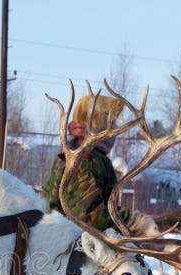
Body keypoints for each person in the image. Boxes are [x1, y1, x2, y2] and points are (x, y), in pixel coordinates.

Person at [43, 94, 130, 231]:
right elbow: (87, 217)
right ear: (98, 123)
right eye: (111, 121)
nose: (115, 128)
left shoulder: (77, 152)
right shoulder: (85, 159)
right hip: (75, 244)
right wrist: (132, 220)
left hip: (67, 240)